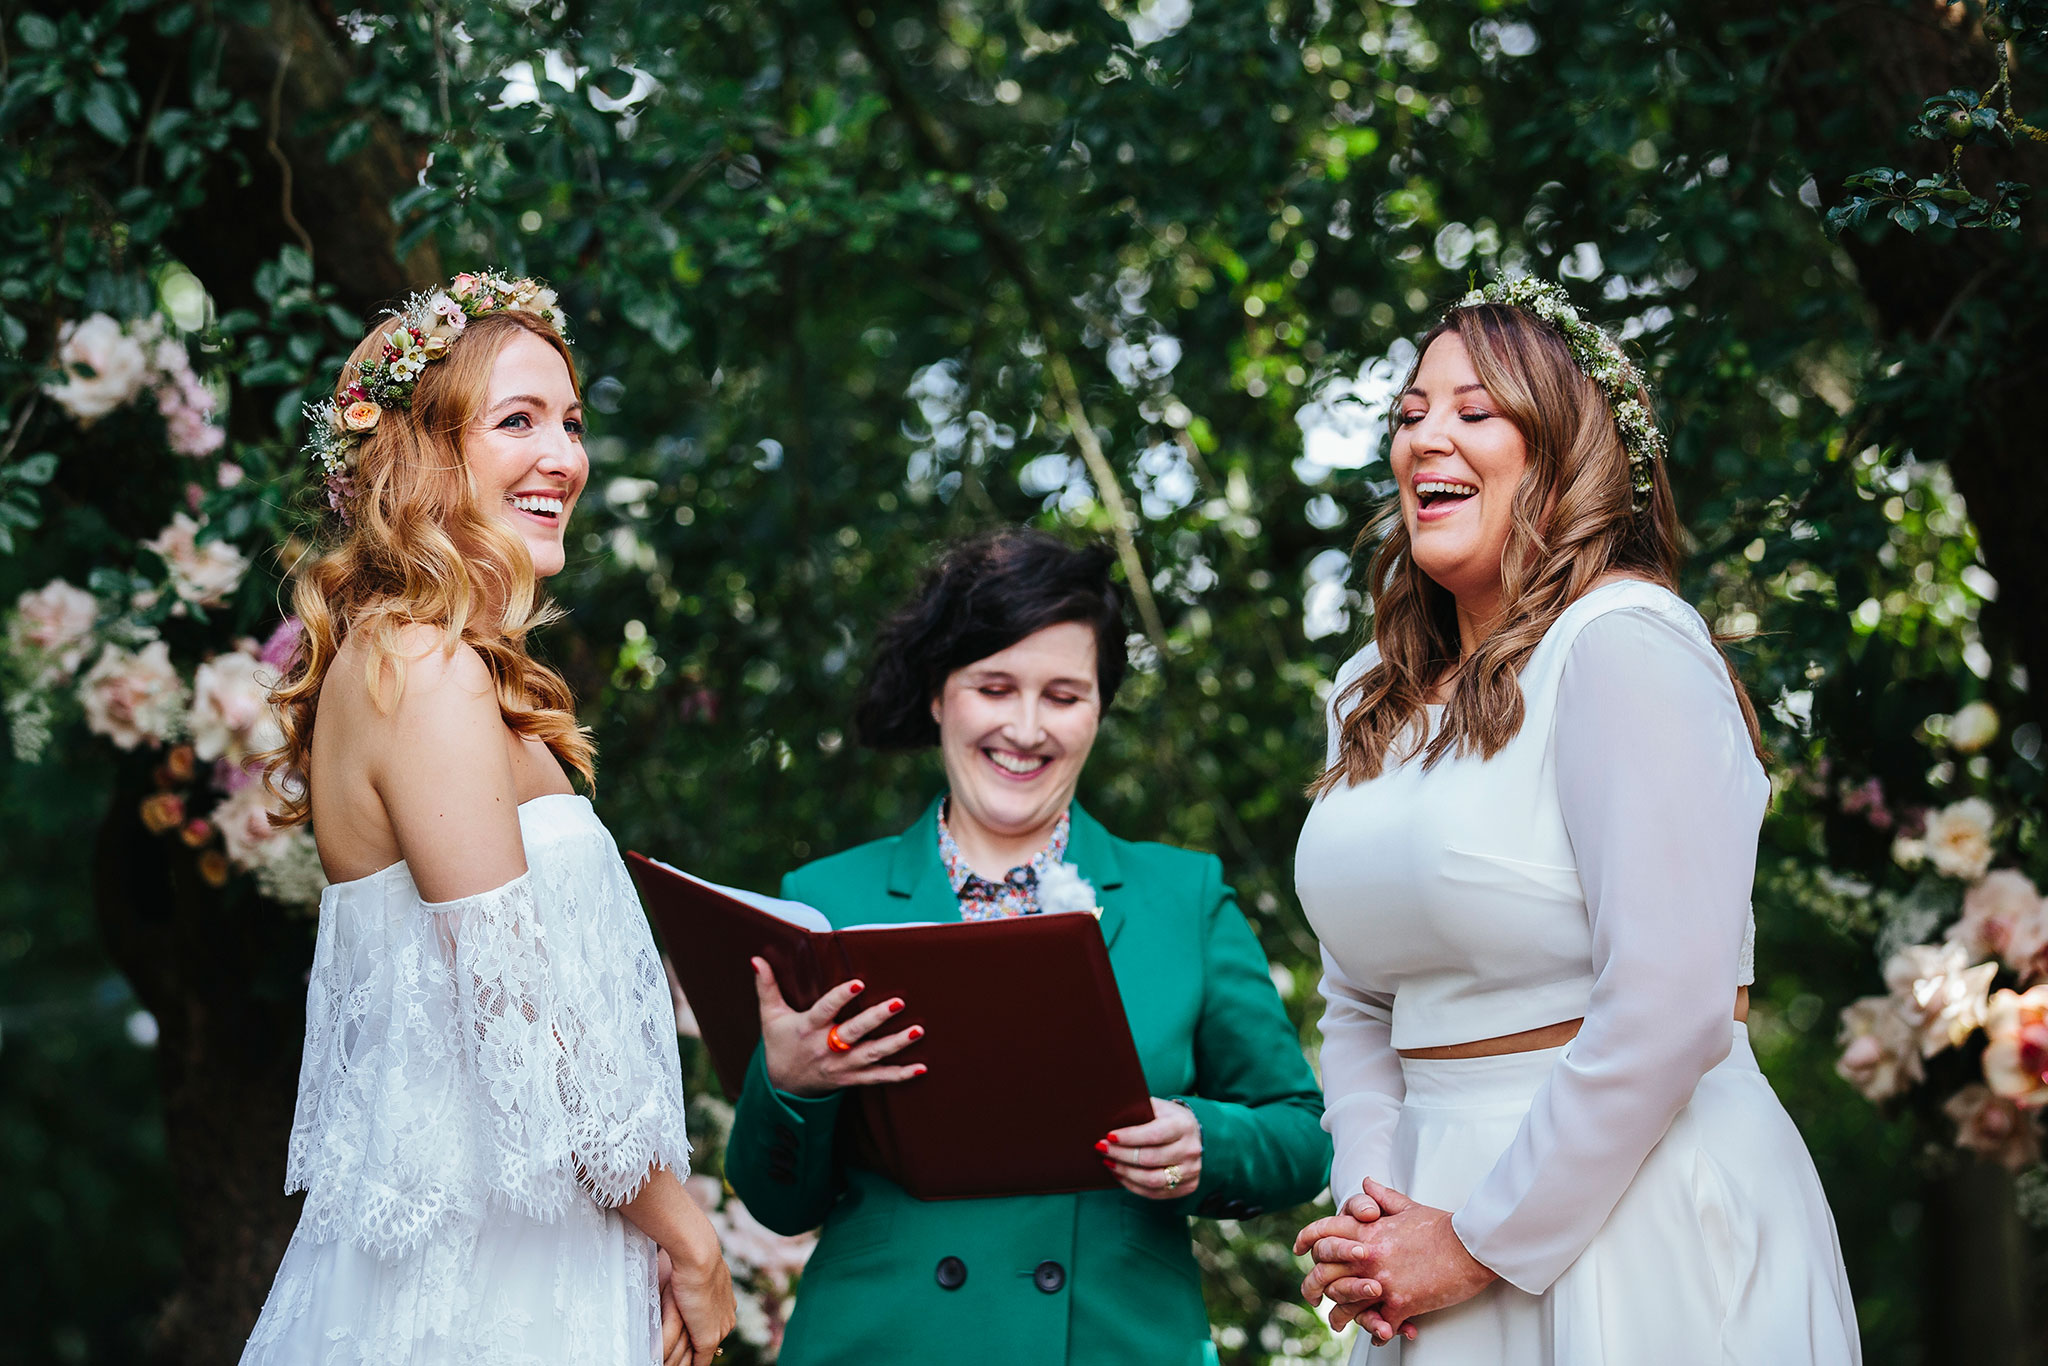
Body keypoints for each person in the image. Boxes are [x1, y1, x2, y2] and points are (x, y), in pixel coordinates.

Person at [1290, 278, 1860, 1362]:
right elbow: (1355, 1001)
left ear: (1562, 448)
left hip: (1627, 1213)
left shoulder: (1621, 645)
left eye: (1473, 410)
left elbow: (1671, 1001)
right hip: (1421, 1232)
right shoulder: (1364, 691)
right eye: (1409, 414)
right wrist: (1377, 1212)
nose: (1426, 440)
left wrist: (1482, 1241)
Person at [240, 273, 736, 1366]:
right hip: (479, 1287)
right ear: (419, 454)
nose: (563, 455)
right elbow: (518, 1016)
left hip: (541, 1252)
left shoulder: (435, 663)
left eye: (569, 422)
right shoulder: (417, 663)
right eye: (517, 421)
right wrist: (689, 1235)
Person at [723, 529, 1330, 1366]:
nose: (1025, 727)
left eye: (1064, 695)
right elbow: (776, 1201)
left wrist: (1205, 1139)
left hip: (1110, 1340)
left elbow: (1300, 1135)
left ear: (1100, 709)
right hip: (886, 1342)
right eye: (994, 687)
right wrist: (789, 1086)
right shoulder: (827, 901)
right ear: (940, 694)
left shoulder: (1179, 897)